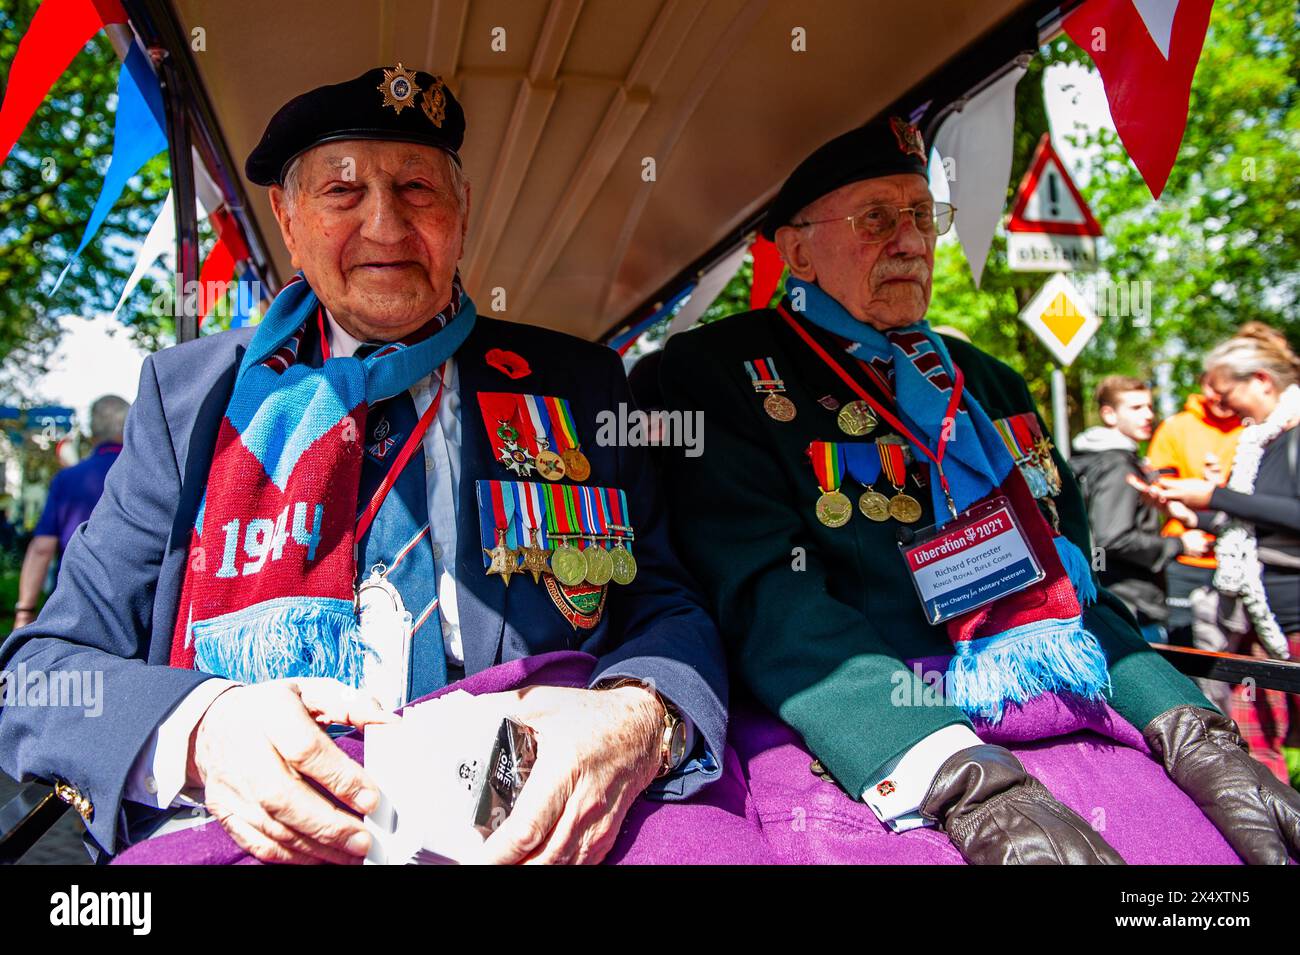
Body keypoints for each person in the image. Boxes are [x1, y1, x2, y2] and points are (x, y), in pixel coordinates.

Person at [0, 66, 726, 865]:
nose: (385, 226)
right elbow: (40, 676)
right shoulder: (188, 400)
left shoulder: (578, 384)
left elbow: (667, 602)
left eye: (417, 189)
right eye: (342, 193)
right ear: (286, 217)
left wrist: (634, 714)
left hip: (532, 818)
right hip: (259, 830)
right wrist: (205, 729)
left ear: (462, 211)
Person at [659, 115, 1300, 864]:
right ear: (798, 249)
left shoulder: (989, 382)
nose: (911, 241)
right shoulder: (717, 373)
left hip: (1054, 694)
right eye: (876, 218)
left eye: (922, 215)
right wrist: (957, 776)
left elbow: (1080, 592)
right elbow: (768, 603)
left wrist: (1190, 726)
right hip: (863, 725)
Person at [1138, 323, 1300, 786]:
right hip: (1257, 614)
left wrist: (1214, 495)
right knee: (1258, 740)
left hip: (1289, 612)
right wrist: (1190, 513)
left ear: (1262, 382)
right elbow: (1252, 526)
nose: (1221, 405)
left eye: (1227, 392)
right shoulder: (1260, 443)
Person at [1070, 376, 1210, 638]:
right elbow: (1112, 537)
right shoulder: (1116, 464)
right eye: (1136, 408)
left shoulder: (1100, 458)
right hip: (1131, 604)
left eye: (1149, 407)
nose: (1148, 415)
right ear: (1109, 415)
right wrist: (1179, 544)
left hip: (1115, 596)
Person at [13, 395, 128, 630]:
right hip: (132, 609)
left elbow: (42, 548)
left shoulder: (67, 479)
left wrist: (25, 612)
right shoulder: (146, 478)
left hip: (71, 606)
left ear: (93, 432)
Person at [1147, 377, 1242, 646]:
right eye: (1213, 385)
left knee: (1242, 652)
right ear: (1202, 384)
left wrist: (1221, 488)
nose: (1219, 395)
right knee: (1187, 644)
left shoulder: (1252, 426)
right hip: (1188, 557)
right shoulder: (1177, 427)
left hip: (1241, 559)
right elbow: (1159, 487)